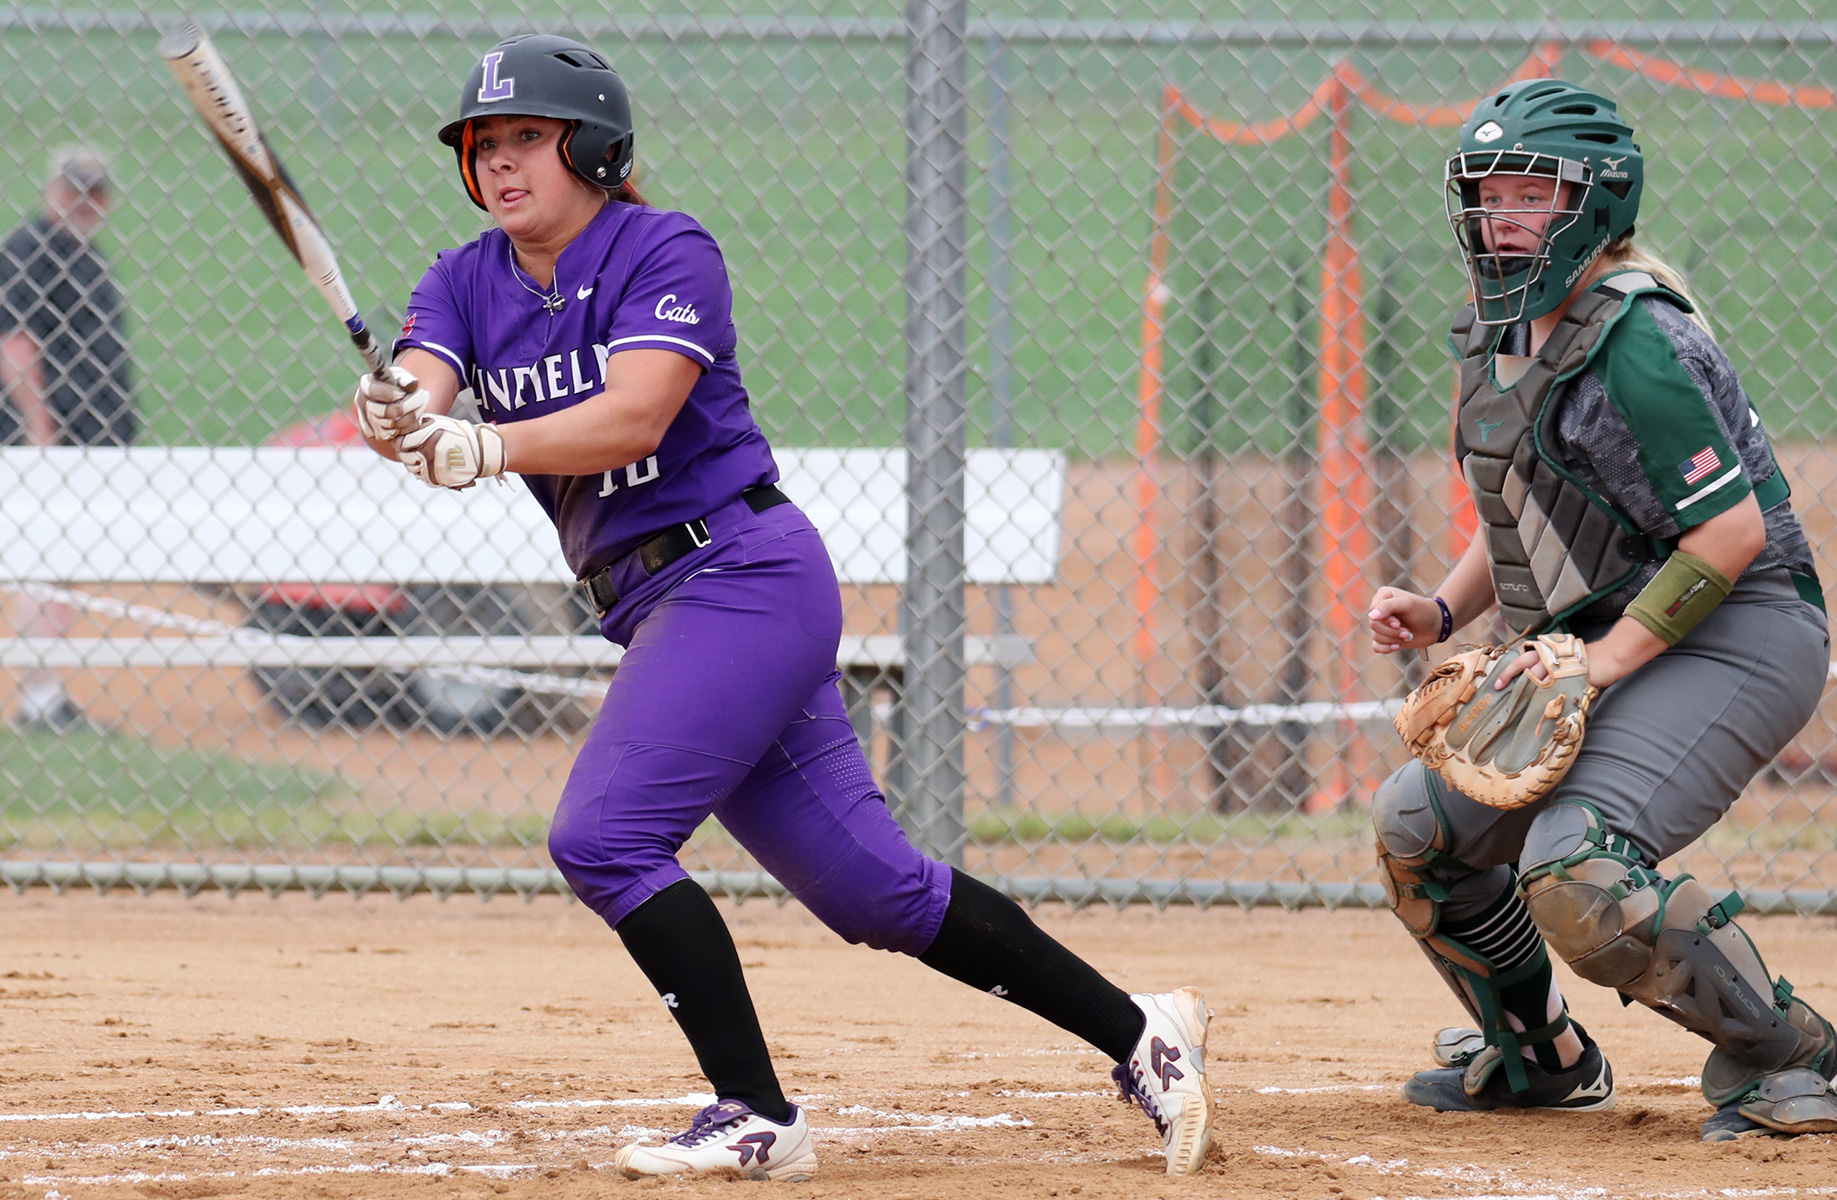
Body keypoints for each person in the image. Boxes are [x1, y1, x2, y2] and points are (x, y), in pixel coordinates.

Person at [353, 34, 1216, 1181]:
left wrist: (480, 446)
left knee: (604, 838)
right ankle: (1142, 1033)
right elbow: (424, 387)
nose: (502, 163)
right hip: (663, 607)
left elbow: (635, 417)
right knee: (873, 891)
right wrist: (401, 416)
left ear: (597, 148)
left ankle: (755, 1112)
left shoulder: (664, 248)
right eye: (484, 145)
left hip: (741, 577)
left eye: (528, 138)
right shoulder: (463, 278)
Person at [1364, 79, 1837, 1142]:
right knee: (1417, 827)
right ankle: (1542, 1058)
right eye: (1489, 195)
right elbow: (1523, 498)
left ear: (1597, 203)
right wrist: (1442, 612)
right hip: (1611, 631)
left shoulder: (1640, 339)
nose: (1504, 218)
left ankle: (1786, 1053)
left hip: (1741, 629)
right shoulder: (1498, 329)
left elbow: (1729, 538)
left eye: (1532, 195)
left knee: (1575, 862)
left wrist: (1604, 662)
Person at [0, 145, 137, 731]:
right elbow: (15, 341)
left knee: (59, 564)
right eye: (75, 189)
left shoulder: (85, 255)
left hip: (85, 438)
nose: (86, 201)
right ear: (52, 190)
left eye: (96, 192)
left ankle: (46, 693)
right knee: (43, 563)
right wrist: (39, 429)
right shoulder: (29, 249)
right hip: (47, 440)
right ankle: (42, 698)